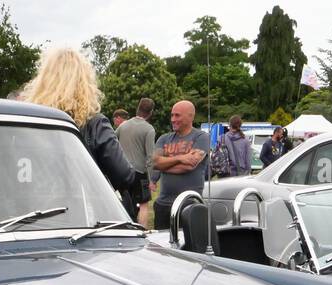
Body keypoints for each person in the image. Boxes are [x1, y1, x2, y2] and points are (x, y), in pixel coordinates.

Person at [21, 47, 137, 197]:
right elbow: (124, 176)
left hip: (35, 210)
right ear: (85, 81)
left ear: (44, 80)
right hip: (84, 212)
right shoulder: (95, 124)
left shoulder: (29, 122)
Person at [150, 100, 210, 229]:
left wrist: (164, 165)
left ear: (190, 116)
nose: (172, 119)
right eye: (172, 115)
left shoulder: (201, 137)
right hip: (163, 205)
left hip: (188, 204)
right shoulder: (164, 138)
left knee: (187, 246)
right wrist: (182, 157)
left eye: (177, 115)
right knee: (162, 245)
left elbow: (189, 166)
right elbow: (154, 163)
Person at [116, 97, 157, 226]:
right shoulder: (149, 129)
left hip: (122, 171)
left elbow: (113, 141)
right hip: (140, 174)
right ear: (150, 113)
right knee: (143, 205)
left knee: (122, 202)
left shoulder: (123, 126)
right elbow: (150, 157)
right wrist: (152, 180)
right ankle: (142, 232)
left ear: (137, 109)